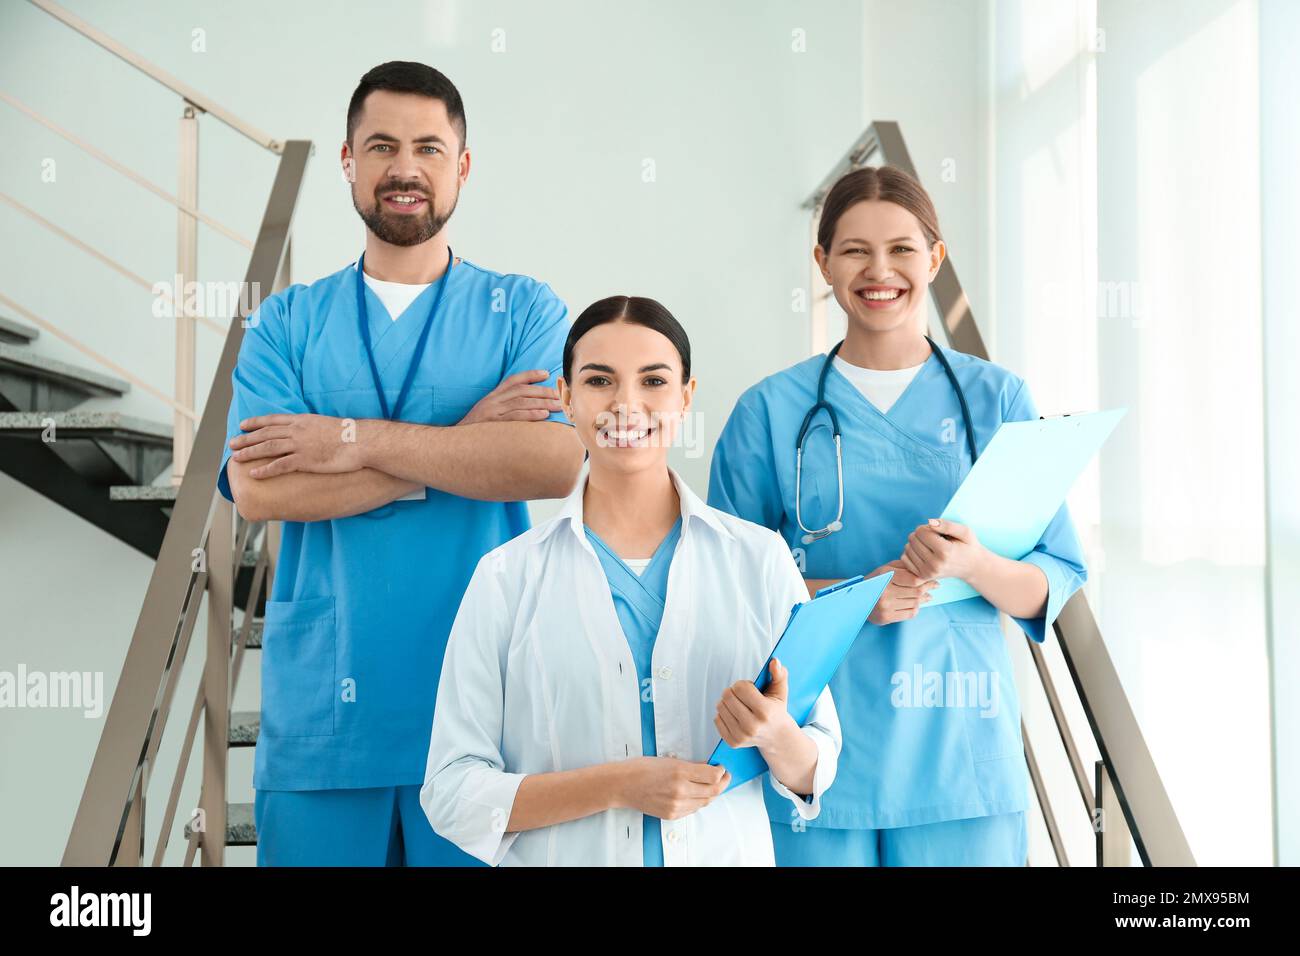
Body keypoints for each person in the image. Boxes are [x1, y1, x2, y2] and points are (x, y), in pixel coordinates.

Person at [217, 61, 585, 865]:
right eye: (381, 146)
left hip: (480, 718)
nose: (404, 168)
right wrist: (466, 441)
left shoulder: (523, 310)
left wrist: (346, 440)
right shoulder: (286, 322)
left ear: (463, 165)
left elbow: (552, 463)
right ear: (349, 161)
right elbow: (256, 488)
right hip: (325, 720)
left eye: (428, 146)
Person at [707, 165, 1087, 866]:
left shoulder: (997, 399)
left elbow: (1052, 580)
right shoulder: (769, 412)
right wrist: (856, 598)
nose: (879, 270)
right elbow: (725, 592)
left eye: (903, 249)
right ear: (821, 262)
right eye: (854, 250)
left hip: (960, 759)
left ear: (936, 259)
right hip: (812, 751)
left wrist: (973, 563)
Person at [421, 296, 840, 865]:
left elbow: (816, 762)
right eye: (599, 381)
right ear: (566, 398)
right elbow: (451, 791)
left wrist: (775, 734)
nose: (626, 404)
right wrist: (615, 785)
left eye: (653, 381)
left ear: (686, 396)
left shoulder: (758, 559)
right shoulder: (506, 578)